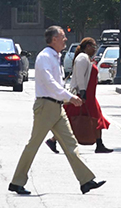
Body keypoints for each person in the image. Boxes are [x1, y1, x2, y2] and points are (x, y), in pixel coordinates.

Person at [9, 26, 105, 196]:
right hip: (46, 106)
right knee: (34, 145)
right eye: (62, 37)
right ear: (54, 39)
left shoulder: (55, 57)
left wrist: (66, 97)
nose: (65, 39)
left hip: (57, 106)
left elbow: (57, 84)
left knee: (70, 144)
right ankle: (17, 182)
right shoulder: (44, 57)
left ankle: (85, 181)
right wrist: (69, 97)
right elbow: (49, 83)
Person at [61, 37, 112, 153]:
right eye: (94, 47)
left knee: (86, 117)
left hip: (89, 95)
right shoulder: (82, 58)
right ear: (88, 46)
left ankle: (99, 144)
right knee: (74, 118)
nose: (95, 50)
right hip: (84, 95)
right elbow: (79, 76)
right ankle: (54, 140)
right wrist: (82, 92)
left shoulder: (86, 58)